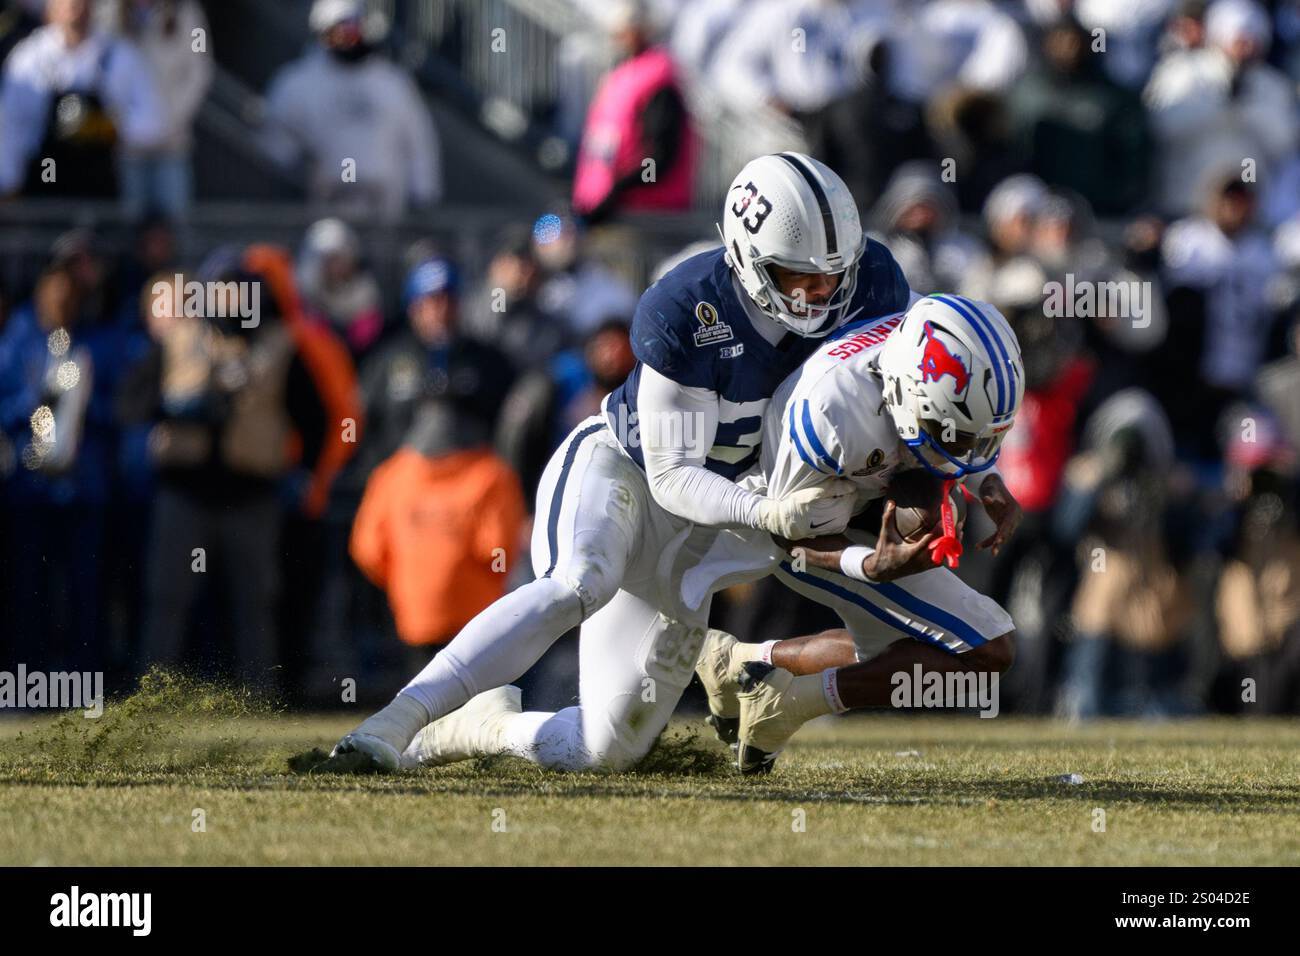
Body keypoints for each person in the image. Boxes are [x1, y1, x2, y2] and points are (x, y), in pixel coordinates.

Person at [324, 152, 911, 772]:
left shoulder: (870, 285)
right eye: (799, 275)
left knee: (605, 750)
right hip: (624, 472)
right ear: (747, 258)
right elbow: (674, 475)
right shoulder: (690, 309)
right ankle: (391, 724)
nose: (822, 292)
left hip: (695, 538)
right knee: (577, 582)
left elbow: (920, 377)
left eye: (834, 273)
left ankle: (480, 729)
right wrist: (767, 508)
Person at [403, 293, 1024, 773]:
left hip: (815, 511)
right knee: (605, 746)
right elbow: (790, 542)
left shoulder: (919, 335)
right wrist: (869, 565)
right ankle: (474, 722)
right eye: (963, 439)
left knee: (904, 649)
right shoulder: (829, 417)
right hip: (742, 530)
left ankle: (756, 671)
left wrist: (981, 476)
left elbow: (945, 417)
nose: (972, 453)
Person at [262, 0, 440, 221]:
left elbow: (418, 137)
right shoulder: (296, 83)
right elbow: (276, 145)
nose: (348, 38)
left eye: (354, 29)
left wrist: (424, 191)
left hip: (384, 208)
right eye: (340, 31)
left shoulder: (392, 82)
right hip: (324, 208)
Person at [0, 0, 164, 199]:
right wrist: (8, 183)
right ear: (50, 10)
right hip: (46, 180)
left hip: (100, 185)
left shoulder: (118, 55)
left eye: (82, 4)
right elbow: (10, 125)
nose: (76, 11)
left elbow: (153, 120)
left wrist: (111, 127)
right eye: (68, 4)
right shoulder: (30, 58)